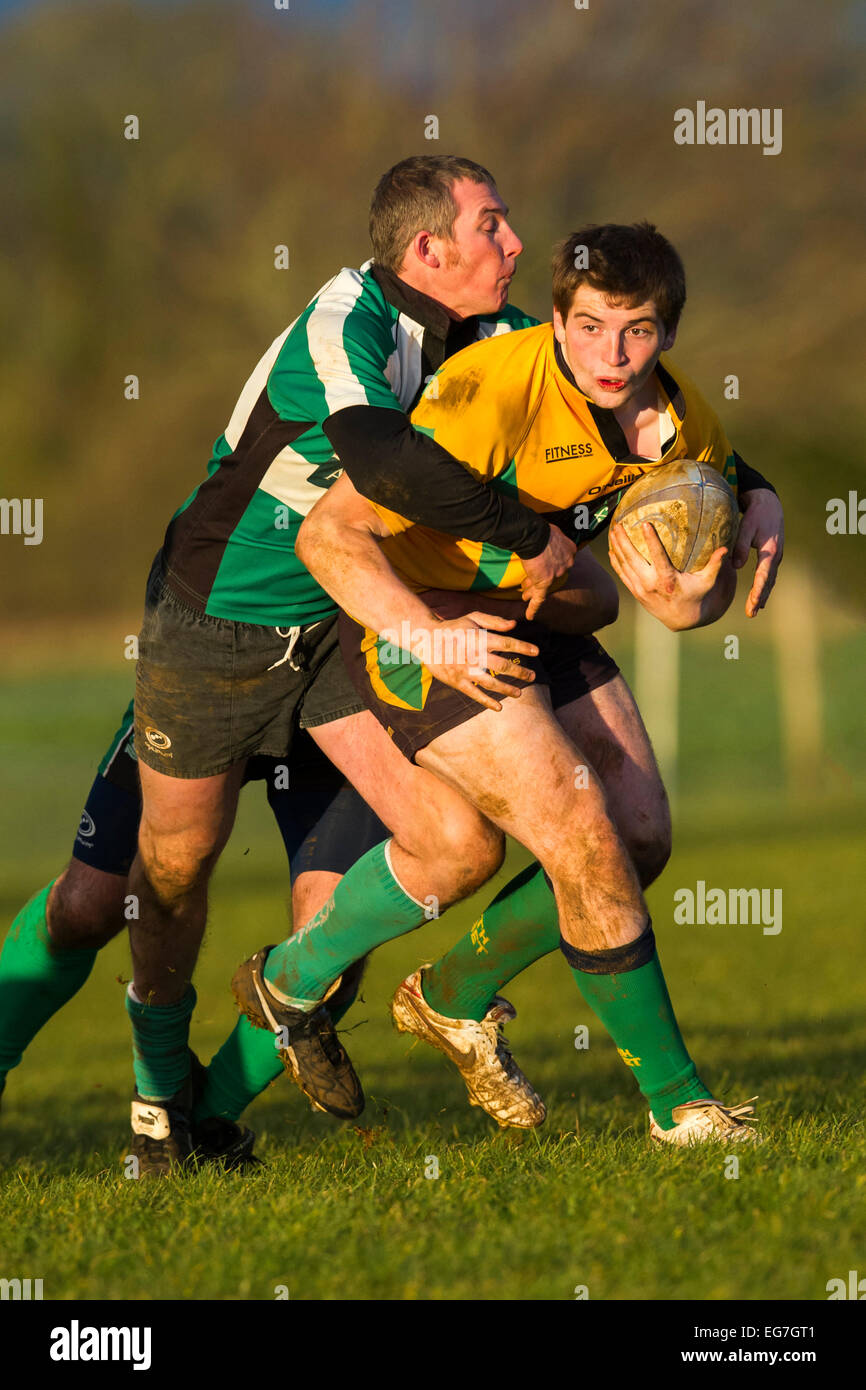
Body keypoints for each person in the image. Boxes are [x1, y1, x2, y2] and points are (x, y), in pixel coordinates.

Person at [254, 220, 783, 1145]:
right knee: (579, 831)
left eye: (637, 331)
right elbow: (327, 536)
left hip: (540, 608)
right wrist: (431, 638)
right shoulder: (492, 390)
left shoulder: (687, 423)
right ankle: (681, 1108)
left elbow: (684, 608)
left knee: (640, 838)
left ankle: (452, 998)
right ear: (557, 319)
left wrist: (730, 545)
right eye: (589, 327)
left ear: (668, 331)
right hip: (426, 618)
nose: (610, 355)